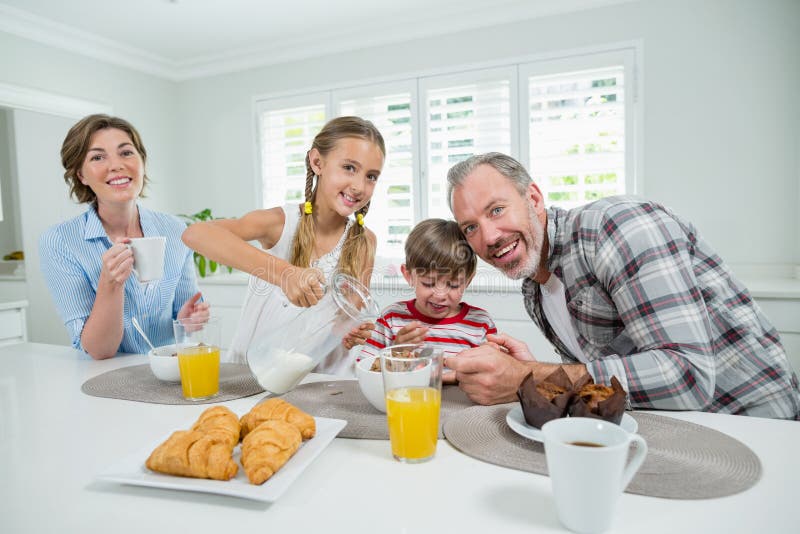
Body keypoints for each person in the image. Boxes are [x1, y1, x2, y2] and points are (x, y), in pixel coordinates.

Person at [445, 152, 800, 419]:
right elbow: (595, 381)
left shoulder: (617, 225)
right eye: (470, 227)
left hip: (754, 420)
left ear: (533, 199)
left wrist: (530, 376)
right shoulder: (534, 290)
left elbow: (688, 376)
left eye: (496, 210)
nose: (488, 237)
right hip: (668, 427)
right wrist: (540, 375)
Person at [182, 116, 384, 375]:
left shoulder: (365, 241)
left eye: (371, 176)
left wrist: (352, 333)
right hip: (251, 377)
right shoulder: (280, 223)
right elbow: (195, 234)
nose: (359, 186)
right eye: (349, 168)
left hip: (319, 383)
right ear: (317, 162)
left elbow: (344, 321)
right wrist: (284, 273)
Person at [40, 114, 209, 360]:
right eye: (98, 157)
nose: (116, 165)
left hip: (170, 372)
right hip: (105, 380)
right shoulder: (60, 241)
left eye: (126, 152)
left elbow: (182, 316)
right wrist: (110, 283)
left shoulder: (175, 229)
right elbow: (99, 350)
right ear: (81, 176)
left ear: (142, 162)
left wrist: (188, 319)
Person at [359, 218, 497, 371]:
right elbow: (365, 370)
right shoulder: (392, 319)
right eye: (429, 283)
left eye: (453, 284)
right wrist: (395, 352)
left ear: (468, 280)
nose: (440, 295)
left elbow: (493, 373)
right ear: (409, 276)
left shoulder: (481, 324)